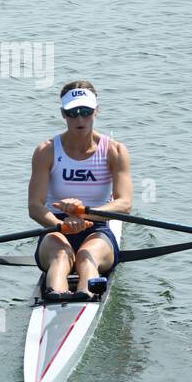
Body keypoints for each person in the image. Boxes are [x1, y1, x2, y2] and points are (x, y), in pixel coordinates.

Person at [27, 81, 132, 301]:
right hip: (55, 228)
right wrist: (61, 225)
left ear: (97, 111)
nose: (80, 119)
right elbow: (35, 207)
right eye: (73, 112)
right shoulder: (46, 151)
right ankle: (56, 297)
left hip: (98, 227)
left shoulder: (115, 151)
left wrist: (83, 213)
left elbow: (124, 204)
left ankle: (85, 297)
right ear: (63, 113)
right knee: (60, 255)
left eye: (86, 111)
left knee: (87, 255)